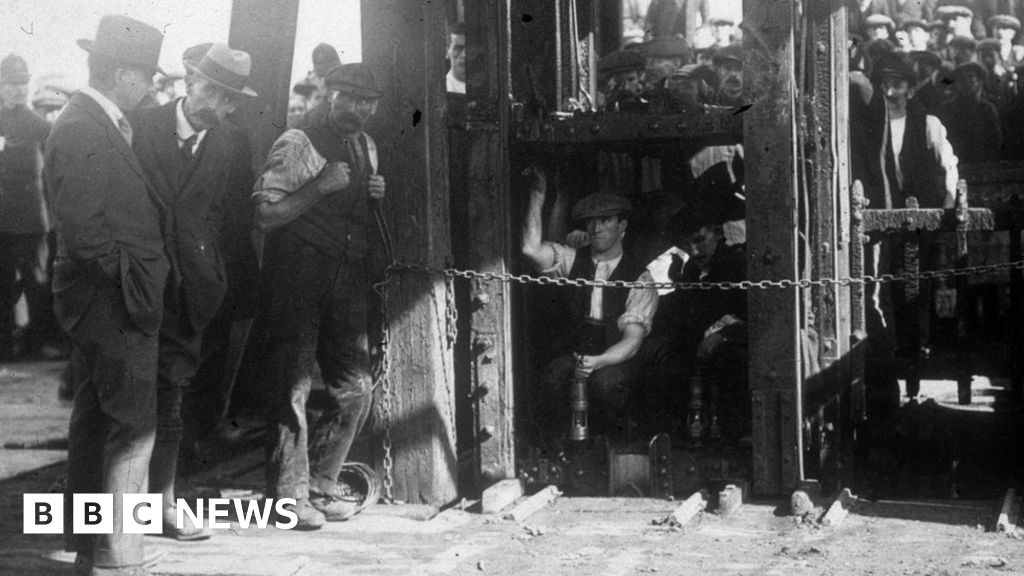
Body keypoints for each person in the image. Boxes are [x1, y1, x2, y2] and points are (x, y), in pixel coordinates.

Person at [45, 15, 167, 576]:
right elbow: (82, 226)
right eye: (146, 77)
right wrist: (130, 277)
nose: (150, 89)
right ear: (123, 74)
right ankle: (120, 559)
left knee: (97, 423)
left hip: (103, 301)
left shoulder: (93, 121)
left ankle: (92, 550)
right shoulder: (82, 127)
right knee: (133, 427)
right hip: (112, 303)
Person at [126, 42, 257, 542]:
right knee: (121, 398)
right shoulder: (138, 126)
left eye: (230, 100)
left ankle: (163, 502)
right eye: (211, 92)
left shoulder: (230, 142)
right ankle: (106, 507)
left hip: (191, 293)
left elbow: (229, 219)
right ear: (187, 79)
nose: (218, 107)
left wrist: (217, 276)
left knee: (174, 400)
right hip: (134, 286)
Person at [252, 63, 382, 530]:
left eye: (368, 101)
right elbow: (266, 217)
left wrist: (371, 193)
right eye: (349, 97)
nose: (358, 108)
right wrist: (318, 187)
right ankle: (287, 498)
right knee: (292, 389)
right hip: (296, 281)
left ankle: (320, 483)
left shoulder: (366, 146)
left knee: (356, 387)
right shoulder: (296, 142)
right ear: (330, 93)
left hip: (344, 281)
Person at [520, 166, 665, 440]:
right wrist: (537, 196)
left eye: (605, 220)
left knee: (606, 385)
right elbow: (530, 250)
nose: (596, 228)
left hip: (616, 353)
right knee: (551, 379)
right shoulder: (573, 258)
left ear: (622, 226)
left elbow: (632, 342)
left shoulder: (640, 277)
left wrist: (599, 361)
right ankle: (560, 448)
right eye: (591, 222)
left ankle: (614, 446)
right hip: (578, 349)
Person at [851, 52, 959, 408]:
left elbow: (948, 169)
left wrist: (942, 216)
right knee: (882, 291)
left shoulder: (927, 124)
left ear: (911, 90)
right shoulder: (869, 124)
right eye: (884, 84)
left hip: (916, 226)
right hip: (884, 223)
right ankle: (892, 368)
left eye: (897, 84)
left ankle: (913, 367)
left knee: (912, 291)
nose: (889, 91)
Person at [0, 54, 51, 360]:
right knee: (2, 281)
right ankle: (4, 344)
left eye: (23, 84)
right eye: (11, 84)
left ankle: (36, 343)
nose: (18, 90)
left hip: (30, 220)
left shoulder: (38, 125)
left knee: (36, 282)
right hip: (0, 220)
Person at [940, 61, 1003, 162]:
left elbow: (995, 140)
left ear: (979, 80)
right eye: (961, 78)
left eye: (970, 77)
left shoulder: (987, 108)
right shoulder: (947, 108)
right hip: (956, 161)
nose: (966, 81)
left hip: (982, 161)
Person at [446, 22, 467, 94]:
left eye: (469, 48)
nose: (464, 54)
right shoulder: (444, 89)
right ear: (447, 52)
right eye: (458, 48)